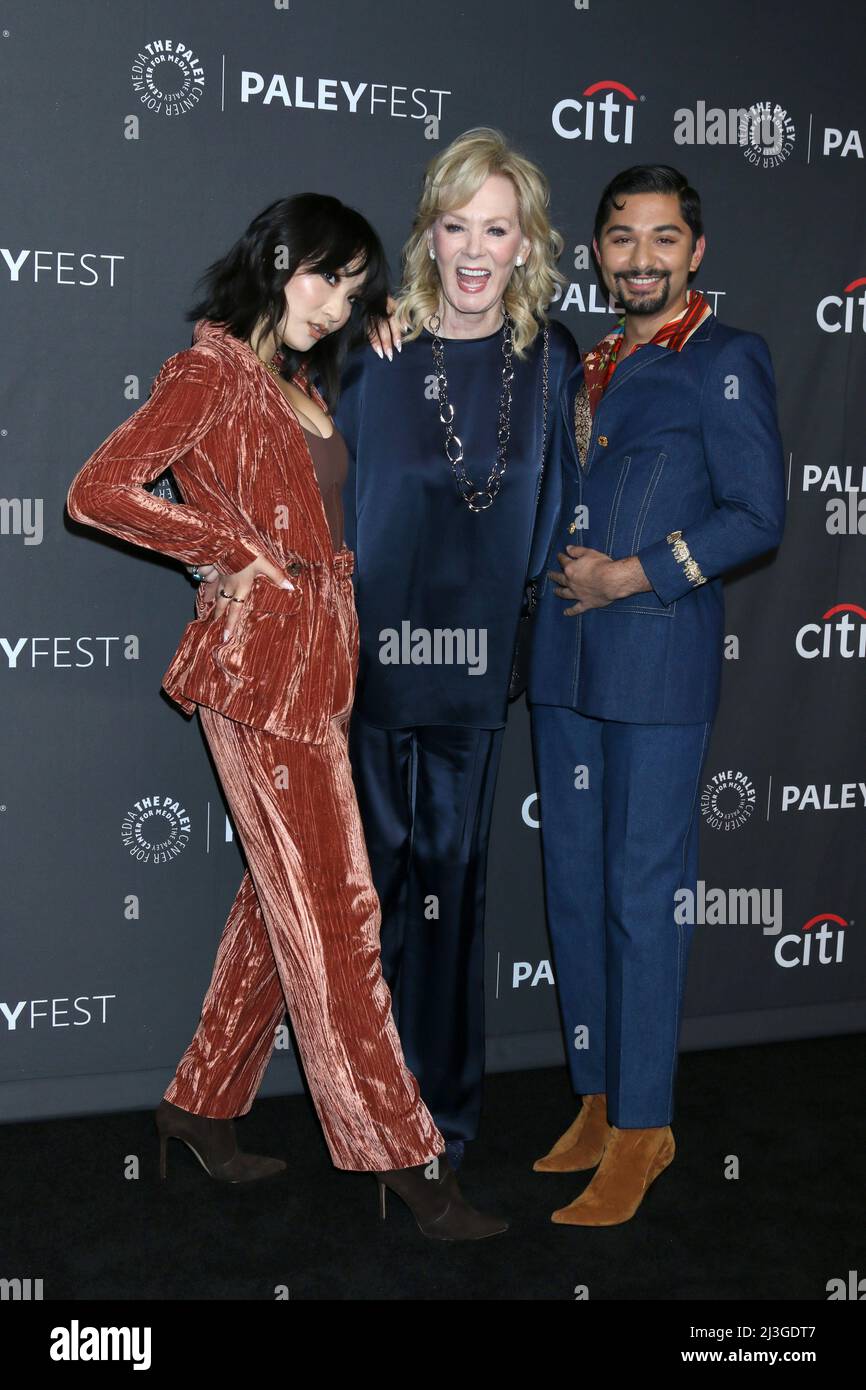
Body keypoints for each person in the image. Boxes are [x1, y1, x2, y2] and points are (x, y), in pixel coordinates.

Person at [66, 193, 507, 1241]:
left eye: (353, 287)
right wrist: (221, 548)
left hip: (320, 667)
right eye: (324, 276)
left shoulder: (299, 377)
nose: (335, 301)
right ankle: (405, 1159)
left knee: (282, 907)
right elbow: (97, 489)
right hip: (261, 672)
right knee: (339, 915)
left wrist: (384, 317)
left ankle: (196, 1105)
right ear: (274, 259)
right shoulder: (209, 371)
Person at [526, 165, 785, 1225]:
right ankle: (595, 1099)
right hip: (562, 662)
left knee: (639, 897)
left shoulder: (725, 359)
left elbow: (756, 514)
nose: (641, 257)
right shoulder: (585, 360)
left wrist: (632, 574)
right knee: (575, 889)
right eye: (621, 239)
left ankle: (644, 1127)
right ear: (596, 252)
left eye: (662, 238)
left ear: (695, 251)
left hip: (654, 658)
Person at [336, 129, 579, 1170]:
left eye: (495, 228)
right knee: (368, 889)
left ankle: (438, 1113)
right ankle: (362, 1106)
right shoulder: (368, 350)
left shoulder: (552, 356)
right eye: (455, 225)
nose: (473, 249)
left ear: (525, 244)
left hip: (474, 670)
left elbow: (559, 508)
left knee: (450, 883)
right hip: (371, 666)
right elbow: (303, 485)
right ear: (427, 235)